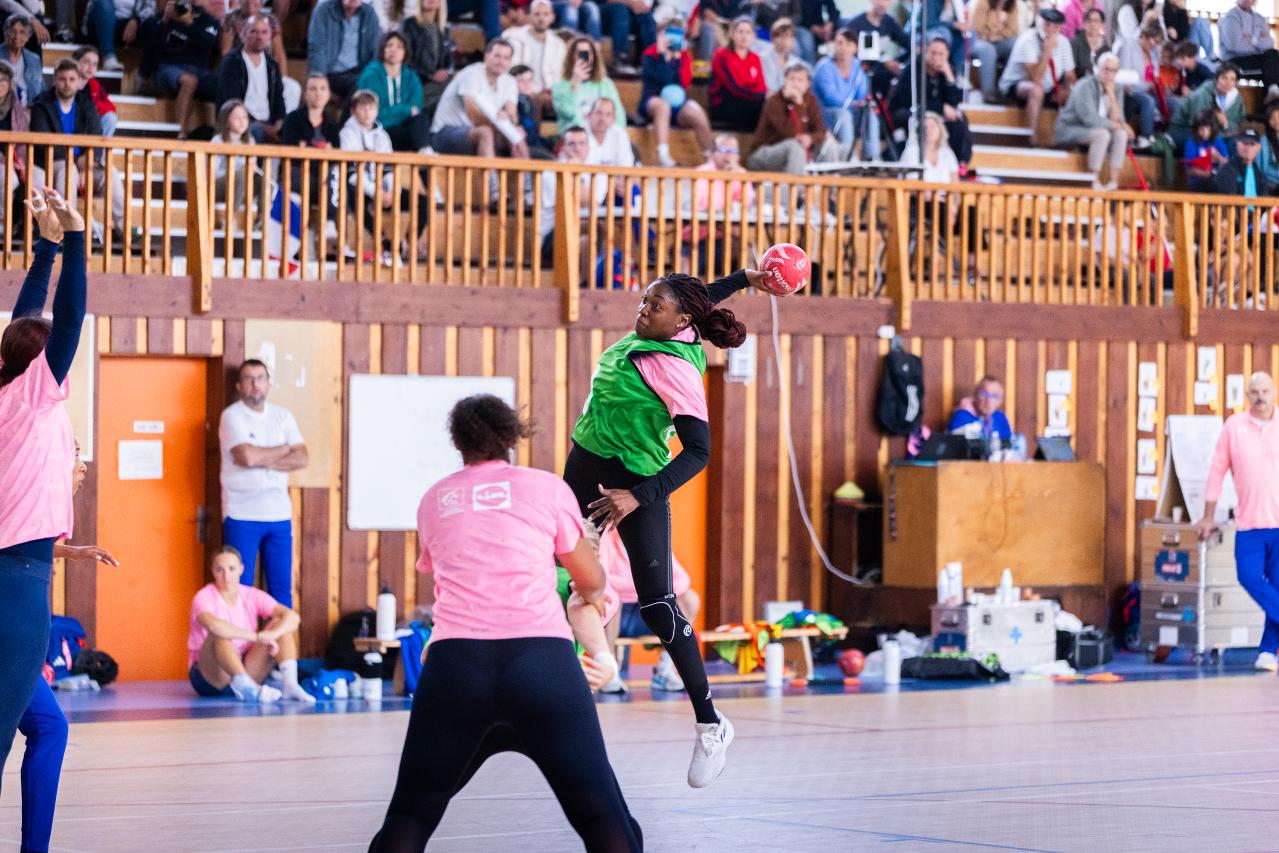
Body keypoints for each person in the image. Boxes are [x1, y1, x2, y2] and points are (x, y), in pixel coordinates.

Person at [367, 394, 643, 851]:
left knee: (411, 813)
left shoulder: (434, 499)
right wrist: (592, 599)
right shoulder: (547, 488)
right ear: (512, 436)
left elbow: (443, 567)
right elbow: (589, 577)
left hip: (456, 668)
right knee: (602, 815)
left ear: (458, 442)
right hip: (541, 665)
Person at [563, 264, 770, 788]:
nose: (643, 310)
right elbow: (700, 296)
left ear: (679, 322)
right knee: (570, 584)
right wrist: (746, 276)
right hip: (586, 469)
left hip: (637, 482)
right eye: (644, 300)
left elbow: (699, 452)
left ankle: (710, 723)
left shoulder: (676, 367)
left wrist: (639, 496)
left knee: (659, 605)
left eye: (654, 306)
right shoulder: (668, 323)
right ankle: (592, 669)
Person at [0, 187, 86, 795]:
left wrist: (47, 246)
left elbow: (23, 323)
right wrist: (78, 238)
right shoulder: (36, 393)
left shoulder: (6, 388)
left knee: (46, 725)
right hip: (18, 586)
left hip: (15, 572)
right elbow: (69, 318)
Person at [17, 438, 118, 853]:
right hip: (11, 640)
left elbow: (24, 551)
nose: (83, 463)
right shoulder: (28, 494)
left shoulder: (44, 504)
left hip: (18, 641)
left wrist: (72, 552)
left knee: (50, 726)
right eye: (75, 453)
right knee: (50, 727)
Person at [1198, 372, 1279, 673]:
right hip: (1249, 524)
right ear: (1248, 396)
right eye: (1254, 392)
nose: (1260, 397)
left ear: (1273, 393)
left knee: (1277, 586)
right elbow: (1217, 471)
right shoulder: (1234, 426)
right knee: (1249, 577)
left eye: (1265, 391)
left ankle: (1268, 652)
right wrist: (1208, 516)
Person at [218, 358, 308, 608]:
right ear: (239, 385)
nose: (255, 385)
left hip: (279, 515)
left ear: (269, 384)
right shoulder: (232, 416)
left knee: (281, 589)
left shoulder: (283, 416)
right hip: (242, 514)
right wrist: (283, 449)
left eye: (260, 379)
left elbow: (302, 457)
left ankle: (280, 645)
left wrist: (262, 457)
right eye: (249, 379)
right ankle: (241, 645)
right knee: (240, 587)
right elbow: (247, 457)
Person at [187, 546, 314, 703]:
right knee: (220, 634)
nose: (226, 575)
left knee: (280, 625)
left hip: (248, 671)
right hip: (211, 676)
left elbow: (292, 617)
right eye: (220, 570)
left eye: (231, 569)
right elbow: (214, 626)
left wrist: (272, 635)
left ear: (241, 569)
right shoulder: (204, 597)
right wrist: (257, 637)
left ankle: (290, 685)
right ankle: (245, 685)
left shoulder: (251, 595)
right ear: (213, 571)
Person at [29, 60, 129, 236]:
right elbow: (43, 142)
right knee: (69, 171)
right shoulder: (42, 104)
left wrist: (89, 164)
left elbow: (98, 136)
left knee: (110, 174)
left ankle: (124, 228)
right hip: (52, 161)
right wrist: (77, 163)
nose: (67, 84)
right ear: (54, 80)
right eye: (62, 79)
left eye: (72, 79)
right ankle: (66, 230)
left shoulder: (86, 103)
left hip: (85, 162)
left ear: (79, 82)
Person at [597, 529, 702, 693]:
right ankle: (610, 674)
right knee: (611, 598)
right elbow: (602, 578)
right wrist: (649, 585)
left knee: (690, 598)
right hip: (619, 615)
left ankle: (664, 670)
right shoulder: (607, 539)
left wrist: (651, 588)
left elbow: (683, 579)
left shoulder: (654, 540)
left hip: (649, 610)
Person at [429, 38, 529, 161]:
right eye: (497, 56)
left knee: (517, 133)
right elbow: (473, 115)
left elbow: (513, 116)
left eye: (506, 58)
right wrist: (500, 123)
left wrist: (510, 121)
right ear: (487, 57)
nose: (501, 61)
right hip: (444, 132)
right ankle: (490, 180)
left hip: (477, 131)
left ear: (510, 62)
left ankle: (526, 179)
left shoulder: (510, 82)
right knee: (485, 132)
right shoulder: (472, 73)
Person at [140, 0, 221, 139]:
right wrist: (165, 20)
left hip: (200, 70)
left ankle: (223, 133)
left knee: (225, 83)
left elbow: (207, 45)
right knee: (190, 81)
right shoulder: (165, 17)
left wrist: (189, 23)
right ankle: (180, 132)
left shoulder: (208, 20)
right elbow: (151, 45)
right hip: (168, 67)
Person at [639, 19, 713, 166]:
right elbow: (658, 78)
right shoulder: (650, 54)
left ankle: (710, 156)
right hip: (652, 101)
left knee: (696, 112)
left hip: (678, 103)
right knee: (663, 106)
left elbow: (683, 84)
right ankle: (663, 155)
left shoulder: (684, 57)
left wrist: (677, 60)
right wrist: (662, 56)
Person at [890, 38, 973, 169]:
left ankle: (960, 164)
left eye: (941, 54)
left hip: (936, 115)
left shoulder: (947, 72)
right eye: (933, 53)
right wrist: (941, 107)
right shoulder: (912, 70)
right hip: (910, 112)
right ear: (926, 52)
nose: (936, 57)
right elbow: (909, 100)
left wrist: (949, 77)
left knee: (960, 119)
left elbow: (954, 101)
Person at [748, 60, 843, 175]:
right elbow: (790, 133)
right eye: (791, 79)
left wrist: (811, 139)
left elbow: (820, 131)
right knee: (795, 147)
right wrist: (798, 104)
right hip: (765, 153)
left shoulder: (811, 100)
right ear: (784, 81)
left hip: (799, 151)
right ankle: (797, 191)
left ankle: (831, 191)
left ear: (808, 84)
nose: (795, 84)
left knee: (829, 145)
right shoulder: (774, 101)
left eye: (800, 80)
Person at [999, 8, 1076, 146]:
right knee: (1036, 89)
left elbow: (1070, 74)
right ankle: (1031, 137)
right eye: (1047, 25)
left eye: (1055, 26)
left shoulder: (1064, 42)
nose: (1050, 30)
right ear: (1041, 23)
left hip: (1050, 87)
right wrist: (1047, 51)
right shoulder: (1028, 39)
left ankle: (1067, 139)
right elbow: (1036, 78)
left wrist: (1066, 88)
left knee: (1074, 94)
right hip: (1018, 84)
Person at [1054, 52, 1130, 189]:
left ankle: (1113, 182)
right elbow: (1089, 119)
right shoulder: (1085, 85)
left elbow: (1119, 119)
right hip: (1071, 127)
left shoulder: (1117, 89)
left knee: (1121, 135)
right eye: (1106, 69)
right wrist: (1118, 125)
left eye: (1114, 71)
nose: (1110, 74)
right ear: (1098, 69)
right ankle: (1093, 180)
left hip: (1096, 128)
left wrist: (1112, 96)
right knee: (1102, 134)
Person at [218, 0, 301, 112]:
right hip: (241, 71)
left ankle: (283, 123)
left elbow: (279, 54)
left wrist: (281, 79)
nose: (250, 2)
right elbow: (225, 51)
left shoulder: (271, 21)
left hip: (267, 71)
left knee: (292, 88)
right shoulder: (231, 18)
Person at [357, 32, 433, 152]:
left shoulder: (412, 77)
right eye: (389, 45)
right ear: (383, 49)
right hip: (380, 132)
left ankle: (426, 154)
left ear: (405, 52)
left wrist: (395, 113)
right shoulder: (370, 76)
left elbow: (416, 110)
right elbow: (374, 115)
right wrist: (405, 110)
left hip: (405, 131)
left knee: (421, 119)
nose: (394, 50)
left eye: (399, 46)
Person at [216, 15, 286, 143]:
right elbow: (232, 101)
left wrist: (280, 121)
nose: (259, 37)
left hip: (269, 120)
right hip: (241, 120)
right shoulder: (232, 62)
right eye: (253, 31)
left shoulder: (272, 65)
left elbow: (278, 99)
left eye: (264, 32)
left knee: (292, 129)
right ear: (243, 34)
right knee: (255, 132)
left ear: (270, 37)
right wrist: (261, 126)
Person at [813, 28, 878, 160]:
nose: (843, 48)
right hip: (826, 114)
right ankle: (849, 157)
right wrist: (853, 104)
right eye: (839, 43)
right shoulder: (824, 67)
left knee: (869, 113)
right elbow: (830, 98)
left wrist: (860, 104)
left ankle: (872, 157)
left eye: (848, 44)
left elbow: (862, 94)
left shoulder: (858, 66)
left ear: (855, 47)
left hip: (852, 113)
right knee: (843, 114)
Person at [306, 0, 381, 101]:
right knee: (362, 83)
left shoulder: (369, 13)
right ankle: (347, 117)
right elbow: (317, 49)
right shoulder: (324, 10)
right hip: (332, 73)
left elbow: (375, 51)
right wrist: (321, 80)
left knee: (371, 82)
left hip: (360, 72)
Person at [551, 36, 625, 134]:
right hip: (574, 139)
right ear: (571, 57)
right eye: (579, 53)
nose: (583, 57)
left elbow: (619, 117)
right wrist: (574, 84)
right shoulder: (559, 86)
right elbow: (568, 113)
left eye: (588, 53)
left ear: (594, 57)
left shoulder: (606, 84)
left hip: (602, 137)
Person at [502, 0, 565, 116]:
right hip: (520, 90)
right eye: (537, 14)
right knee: (532, 100)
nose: (541, 18)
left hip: (548, 93)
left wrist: (551, 93)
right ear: (529, 16)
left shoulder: (559, 45)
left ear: (552, 17)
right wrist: (531, 91)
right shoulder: (513, 37)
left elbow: (559, 76)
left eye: (545, 14)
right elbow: (510, 71)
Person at [709, 16, 767, 131]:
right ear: (732, 34)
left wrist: (762, 96)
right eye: (740, 31)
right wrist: (760, 97)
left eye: (748, 32)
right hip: (725, 104)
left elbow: (761, 86)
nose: (744, 36)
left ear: (754, 36)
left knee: (773, 107)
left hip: (749, 102)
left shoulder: (755, 58)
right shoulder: (722, 55)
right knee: (765, 109)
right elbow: (733, 87)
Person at [1171, 62, 1244, 150]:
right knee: (1214, 145)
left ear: (1235, 83)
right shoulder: (1202, 95)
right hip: (1185, 131)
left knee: (1239, 143)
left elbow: (1239, 123)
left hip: (1219, 134)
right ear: (1217, 79)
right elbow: (1196, 126)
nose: (1228, 83)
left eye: (1232, 80)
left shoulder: (1237, 98)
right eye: (1224, 78)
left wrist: (1226, 124)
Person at [845, 0, 909, 97]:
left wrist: (897, 62)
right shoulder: (855, 24)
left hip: (882, 72)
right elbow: (848, 55)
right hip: (859, 71)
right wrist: (883, 62)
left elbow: (909, 43)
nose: (882, 3)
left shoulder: (889, 22)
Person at [1218, 0, 1279, 95]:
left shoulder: (1259, 18)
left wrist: (1252, 39)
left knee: (1273, 54)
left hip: (1257, 59)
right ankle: (1273, 97)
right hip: (1234, 61)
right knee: (1272, 66)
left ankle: (1273, 92)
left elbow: (1269, 43)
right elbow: (1235, 45)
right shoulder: (1230, 17)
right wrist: (1259, 42)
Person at [1116, 23, 1162, 148]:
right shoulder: (1129, 47)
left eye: (1157, 42)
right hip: (1131, 94)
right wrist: (1147, 85)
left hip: (1149, 92)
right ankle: (1145, 137)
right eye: (1151, 40)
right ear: (1143, 37)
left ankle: (1166, 138)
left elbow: (1155, 78)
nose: (1153, 44)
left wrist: (1155, 86)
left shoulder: (1154, 56)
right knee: (1148, 101)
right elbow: (1126, 80)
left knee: (1174, 102)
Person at [970, 0, 1024, 102]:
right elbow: (977, 28)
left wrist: (995, 35)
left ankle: (1009, 90)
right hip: (980, 41)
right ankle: (988, 93)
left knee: (1014, 44)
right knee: (988, 50)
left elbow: (1013, 31)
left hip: (998, 41)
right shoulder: (984, 2)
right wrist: (997, 30)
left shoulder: (1013, 5)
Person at [86, 0, 155, 73]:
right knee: (103, 2)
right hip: (101, 20)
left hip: (127, 24)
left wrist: (136, 20)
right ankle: (108, 57)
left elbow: (150, 8)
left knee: (152, 22)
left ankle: (147, 71)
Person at [210, 99, 255, 207]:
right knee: (240, 176)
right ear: (226, 120)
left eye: (245, 117)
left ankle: (261, 219)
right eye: (237, 118)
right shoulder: (218, 141)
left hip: (243, 185)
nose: (242, 121)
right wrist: (237, 171)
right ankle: (229, 219)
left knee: (267, 177)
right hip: (220, 185)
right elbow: (213, 173)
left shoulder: (250, 141)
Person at [949, 375, 1012, 441]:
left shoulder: (1000, 417)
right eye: (984, 394)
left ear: (1000, 400)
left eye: (995, 396)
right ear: (975, 396)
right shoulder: (962, 416)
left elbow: (1008, 444)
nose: (988, 401)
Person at [74, 46, 117, 138]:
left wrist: (93, 107)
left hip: (89, 122)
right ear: (75, 63)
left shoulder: (95, 85)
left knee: (110, 117)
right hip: (71, 123)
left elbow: (111, 107)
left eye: (94, 64)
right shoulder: (68, 80)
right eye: (86, 62)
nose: (91, 67)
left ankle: (97, 150)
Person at [602, 0, 656, 74]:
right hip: (603, 12)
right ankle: (620, 60)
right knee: (620, 10)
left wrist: (640, 6)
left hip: (629, 14)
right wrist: (631, 2)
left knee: (646, 16)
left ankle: (647, 61)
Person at [756, 17, 807, 94]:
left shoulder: (796, 62)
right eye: (780, 36)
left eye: (789, 37)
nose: (785, 41)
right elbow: (769, 87)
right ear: (772, 38)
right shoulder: (763, 58)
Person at [1184, 110, 1229, 191]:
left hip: (1217, 182)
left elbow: (1227, 164)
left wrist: (1218, 157)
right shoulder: (1192, 143)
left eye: (1208, 129)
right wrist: (1209, 174)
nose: (1205, 133)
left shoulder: (1218, 142)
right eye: (1202, 129)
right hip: (1197, 182)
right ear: (1196, 129)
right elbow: (1190, 170)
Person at [2, 14, 41, 106]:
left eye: (22, 32)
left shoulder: (34, 60)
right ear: (5, 33)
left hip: (27, 109)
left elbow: (40, 91)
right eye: (12, 31)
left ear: (28, 37)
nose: (17, 36)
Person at [1071, 7, 1110, 78]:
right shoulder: (1074, 43)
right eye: (1089, 20)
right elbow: (1071, 72)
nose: (1092, 24)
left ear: (1102, 24)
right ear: (1084, 23)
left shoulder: (1105, 47)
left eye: (1096, 21)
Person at [1258, 100, 1279, 186]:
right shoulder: (1264, 140)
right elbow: (1263, 168)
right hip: (1271, 182)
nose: (1276, 121)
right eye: (1272, 118)